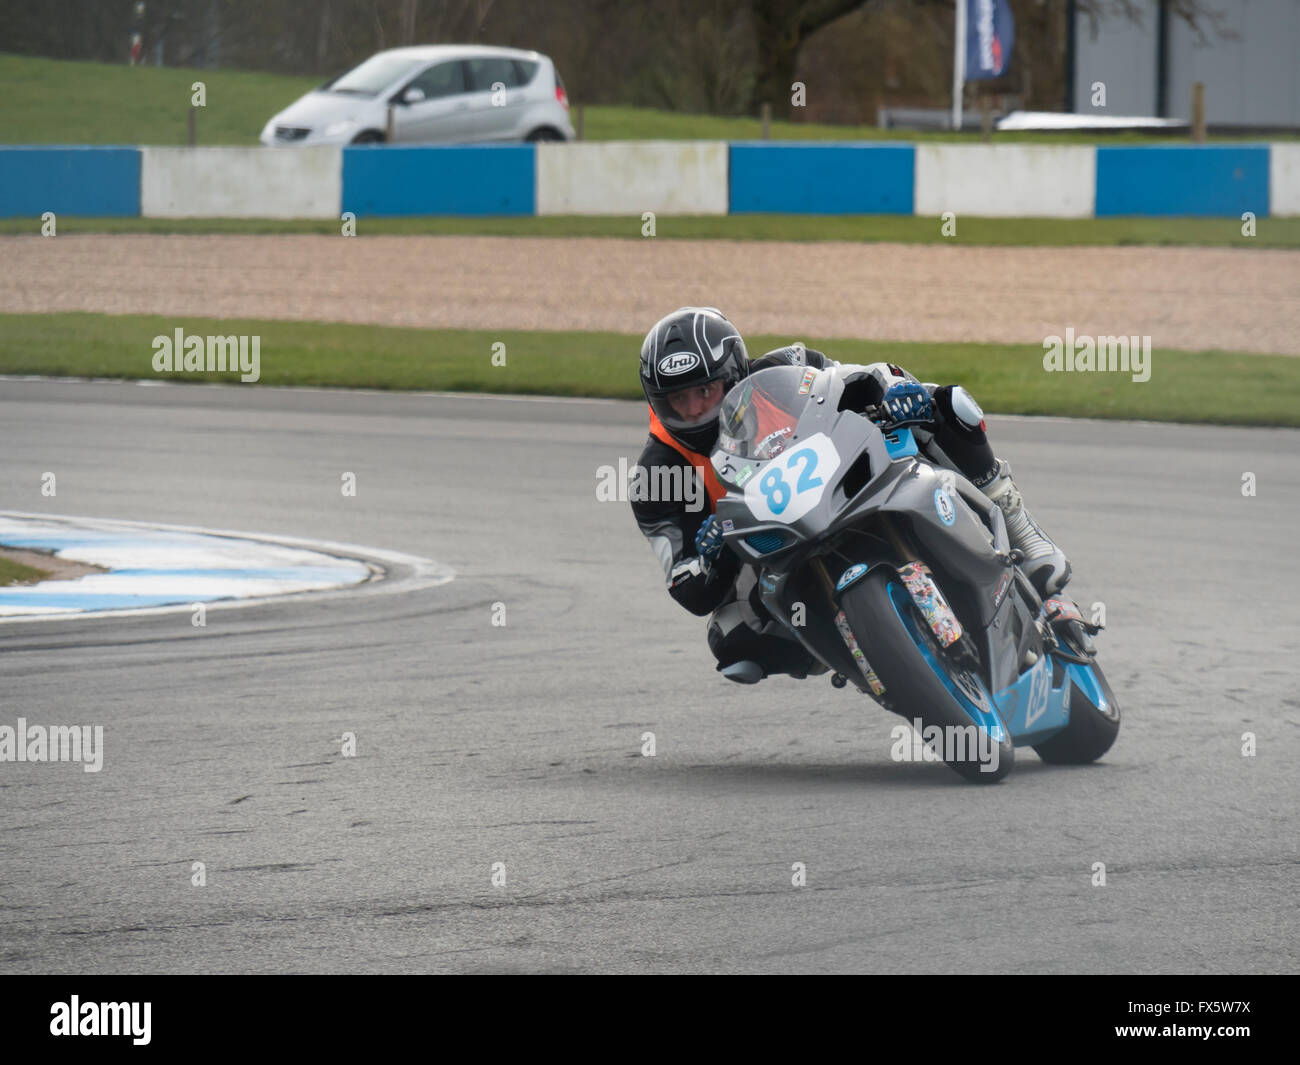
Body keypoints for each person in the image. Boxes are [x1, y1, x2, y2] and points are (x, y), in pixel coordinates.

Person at [630, 306, 1070, 684]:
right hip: (764, 553)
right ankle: (865, 651)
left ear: (733, 374)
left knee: (947, 404)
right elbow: (685, 586)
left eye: (704, 391)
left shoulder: (783, 368)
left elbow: (861, 378)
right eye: (677, 400)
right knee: (731, 639)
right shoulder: (657, 476)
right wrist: (709, 552)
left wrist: (895, 392)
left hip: (844, 481)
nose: (692, 410)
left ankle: (1022, 528)